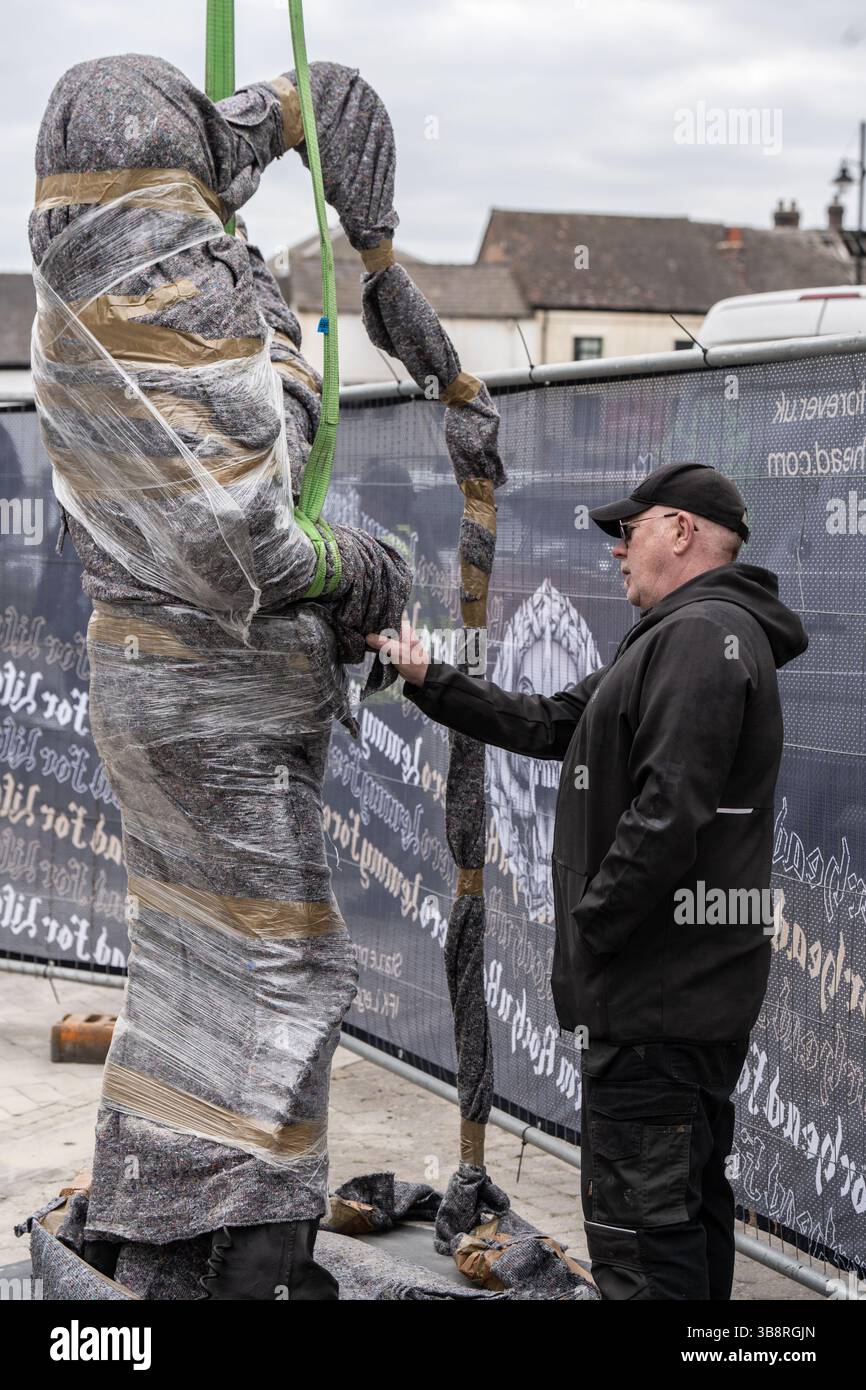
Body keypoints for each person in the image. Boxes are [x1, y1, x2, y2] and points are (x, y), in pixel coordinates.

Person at [366, 461, 809, 1301]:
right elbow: (551, 722)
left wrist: (593, 930)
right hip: (676, 999)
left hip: (656, 1001)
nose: (616, 552)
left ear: (680, 531)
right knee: (683, 1209)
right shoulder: (679, 637)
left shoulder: (700, 639)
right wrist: (431, 682)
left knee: (642, 1237)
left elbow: (669, 811)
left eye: (629, 530)